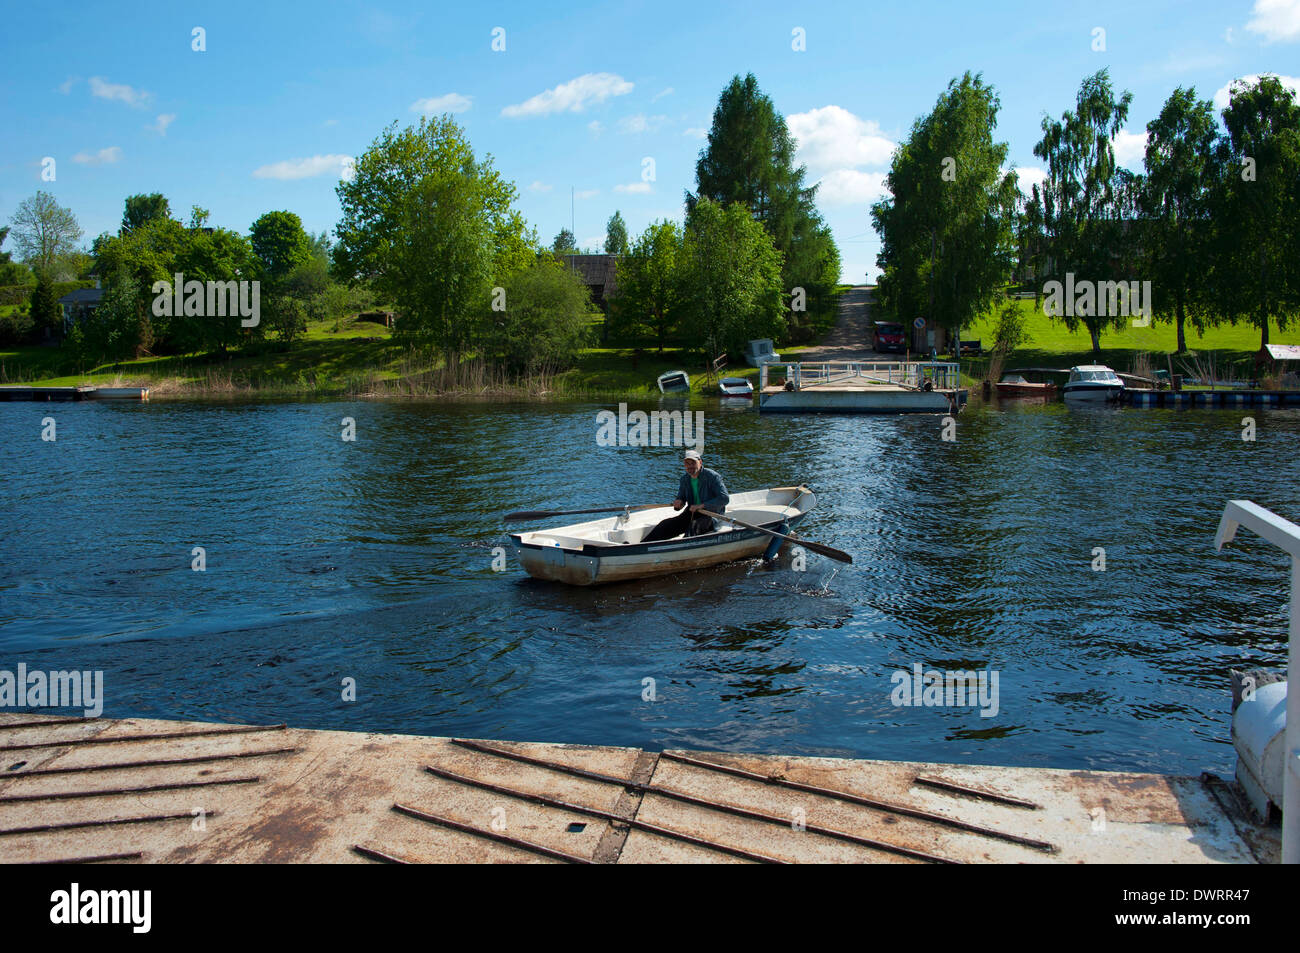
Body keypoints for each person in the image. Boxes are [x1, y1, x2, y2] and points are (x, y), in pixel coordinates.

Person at [642, 450, 729, 542]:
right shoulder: (684, 479)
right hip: (692, 513)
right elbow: (681, 498)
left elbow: (724, 499)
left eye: (693, 463)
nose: (690, 466)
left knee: (694, 527)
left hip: (711, 515)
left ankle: (680, 550)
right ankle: (641, 546)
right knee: (665, 525)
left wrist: (702, 505)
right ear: (684, 465)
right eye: (687, 463)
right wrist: (679, 502)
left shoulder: (713, 476)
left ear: (700, 462)